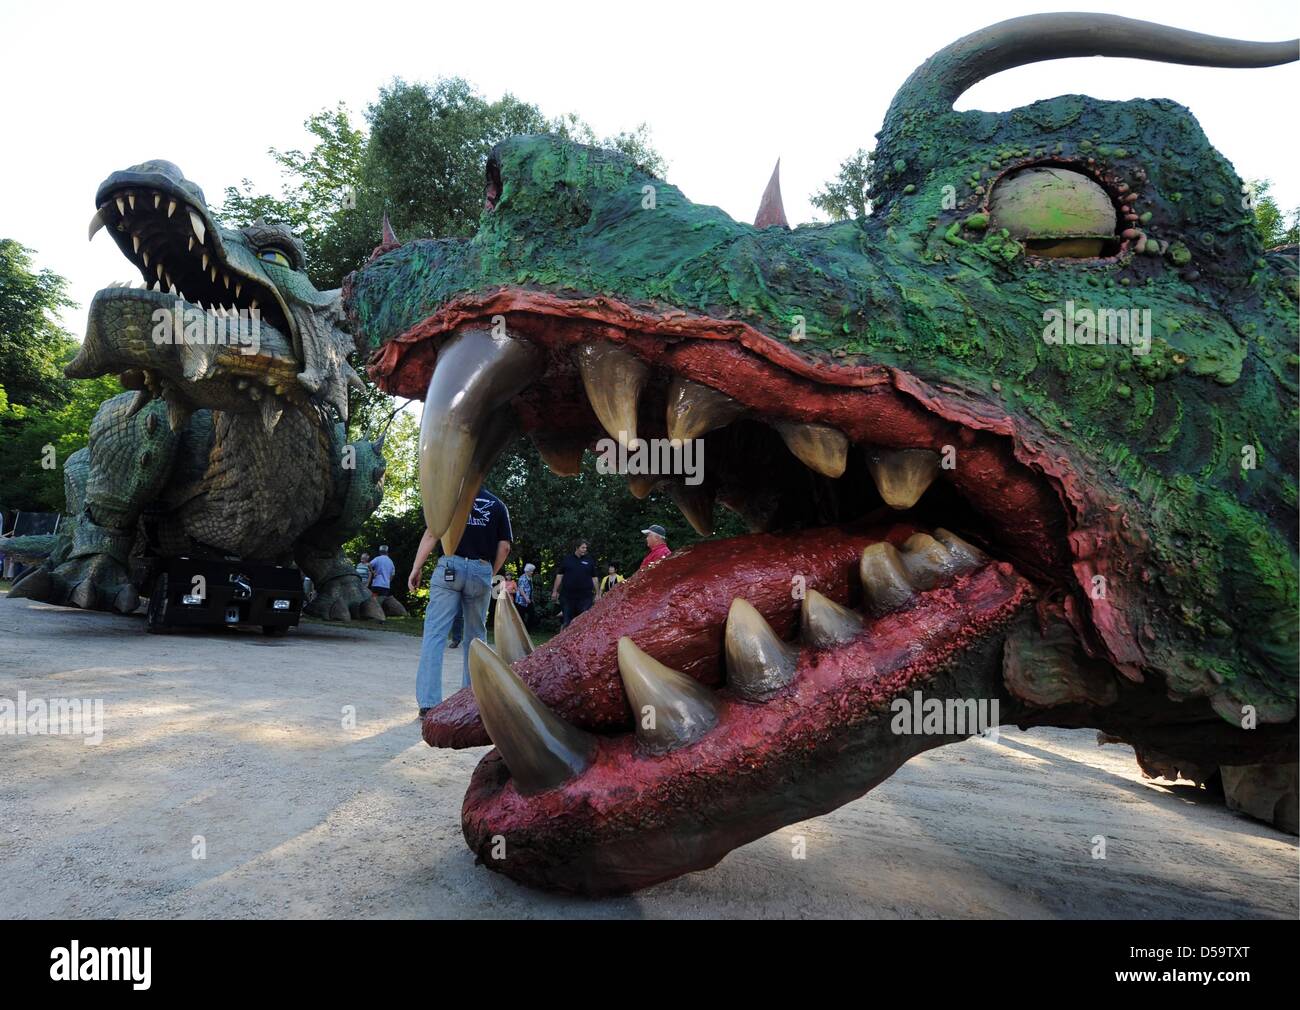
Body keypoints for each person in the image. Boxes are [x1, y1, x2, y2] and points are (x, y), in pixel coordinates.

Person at [409, 487, 512, 718]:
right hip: (481, 569)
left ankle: (429, 704)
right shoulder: (497, 505)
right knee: (476, 637)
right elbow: (504, 547)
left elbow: (431, 535)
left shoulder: (449, 500)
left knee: (435, 635)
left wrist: (416, 568)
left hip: (450, 566)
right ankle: (471, 701)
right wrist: (488, 572)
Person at [551, 538, 597, 628]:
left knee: (583, 623)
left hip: (585, 597)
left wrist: (598, 593)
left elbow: (594, 577)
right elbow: (559, 576)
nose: (585, 549)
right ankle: (564, 641)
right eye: (583, 548)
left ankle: (583, 642)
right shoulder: (567, 560)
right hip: (568, 597)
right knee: (567, 622)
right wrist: (554, 591)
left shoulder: (589, 560)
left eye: (586, 548)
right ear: (577, 547)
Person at [515, 562, 535, 629]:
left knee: (532, 614)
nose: (532, 572)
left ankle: (527, 629)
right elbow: (521, 589)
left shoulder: (530, 578)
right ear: (527, 571)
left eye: (532, 571)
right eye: (531, 571)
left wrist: (531, 598)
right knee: (521, 616)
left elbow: (530, 589)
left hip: (529, 599)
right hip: (521, 600)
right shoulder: (522, 578)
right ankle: (521, 630)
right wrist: (526, 598)